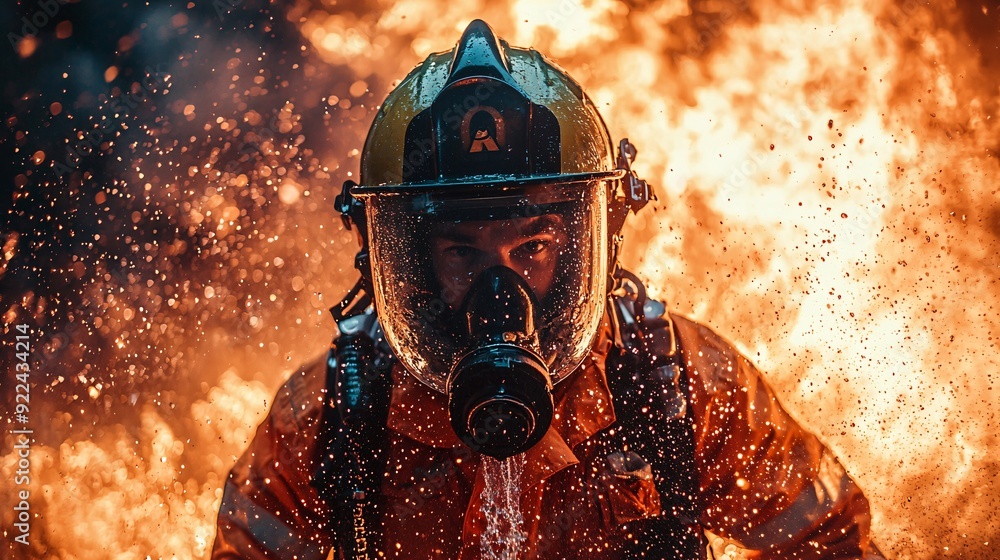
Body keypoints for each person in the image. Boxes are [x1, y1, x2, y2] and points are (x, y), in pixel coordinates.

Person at [212, 20, 884, 560]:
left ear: (593, 241)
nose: (498, 292)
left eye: (531, 249)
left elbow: (832, 544)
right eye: (461, 253)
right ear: (401, 260)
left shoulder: (677, 390)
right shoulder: (330, 424)